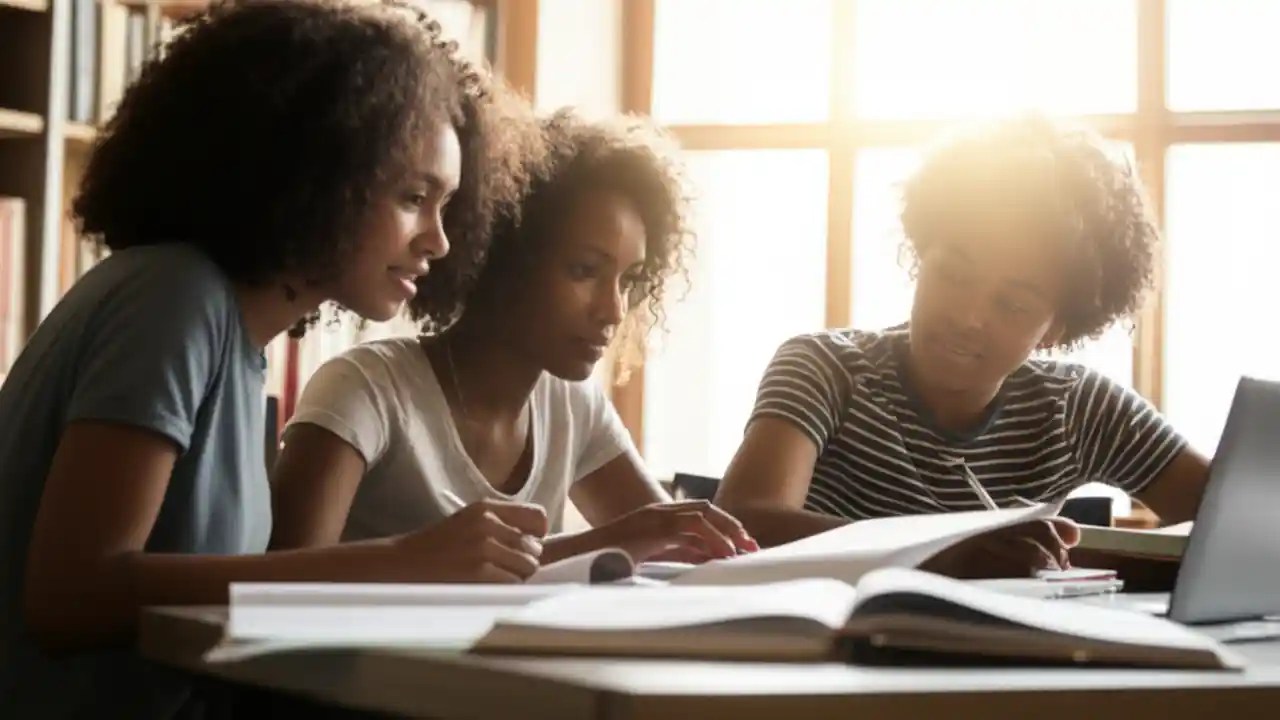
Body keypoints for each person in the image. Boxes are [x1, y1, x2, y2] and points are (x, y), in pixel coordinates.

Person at [0, 1, 547, 717]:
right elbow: (70, 598)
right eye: (414, 197)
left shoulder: (235, 340)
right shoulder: (173, 298)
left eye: (447, 206)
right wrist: (401, 562)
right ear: (316, 173)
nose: (440, 241)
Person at [715, 115, 1208, 577]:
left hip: (1006, 660)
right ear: (919, 254)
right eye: (952, 275)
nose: (967, 317)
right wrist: (945, 553)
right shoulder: (824, 367)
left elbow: (1233, 520)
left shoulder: (1079, 408)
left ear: (1057, 326)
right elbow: (746, 520)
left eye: (1012, 305)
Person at [271, 110, 757, 565]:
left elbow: (677, 543)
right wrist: (606, 541)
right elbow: (280, 583)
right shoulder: (365, 389)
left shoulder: (572, 405)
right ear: (502, 258)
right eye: (584, 271)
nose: (612, 309)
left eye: (628, 281)